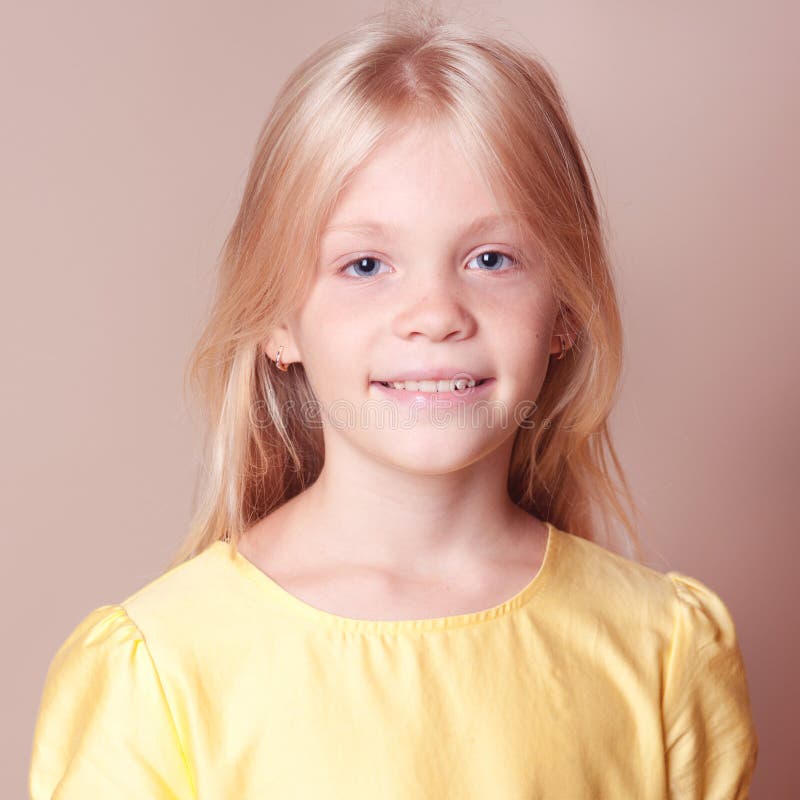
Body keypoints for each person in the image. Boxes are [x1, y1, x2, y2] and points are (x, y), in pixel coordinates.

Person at [28, 4, 758, 798]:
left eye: (490, 257)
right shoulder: (162, 673)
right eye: (367, 265)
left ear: (565, 310)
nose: (436, 314)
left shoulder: (661, 650)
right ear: (277, 318)